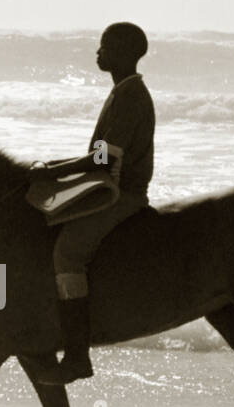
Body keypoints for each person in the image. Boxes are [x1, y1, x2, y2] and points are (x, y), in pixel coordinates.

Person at [29, 22, 155, 385]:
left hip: (121, 194)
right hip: (105, 184)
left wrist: (50, 169)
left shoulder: (130, 95)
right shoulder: (123, 90)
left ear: (124, 53)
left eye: (104, 47)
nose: (98, 53)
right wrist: (52, 168)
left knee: (67, 254)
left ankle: (77, 357)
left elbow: (101, 161)